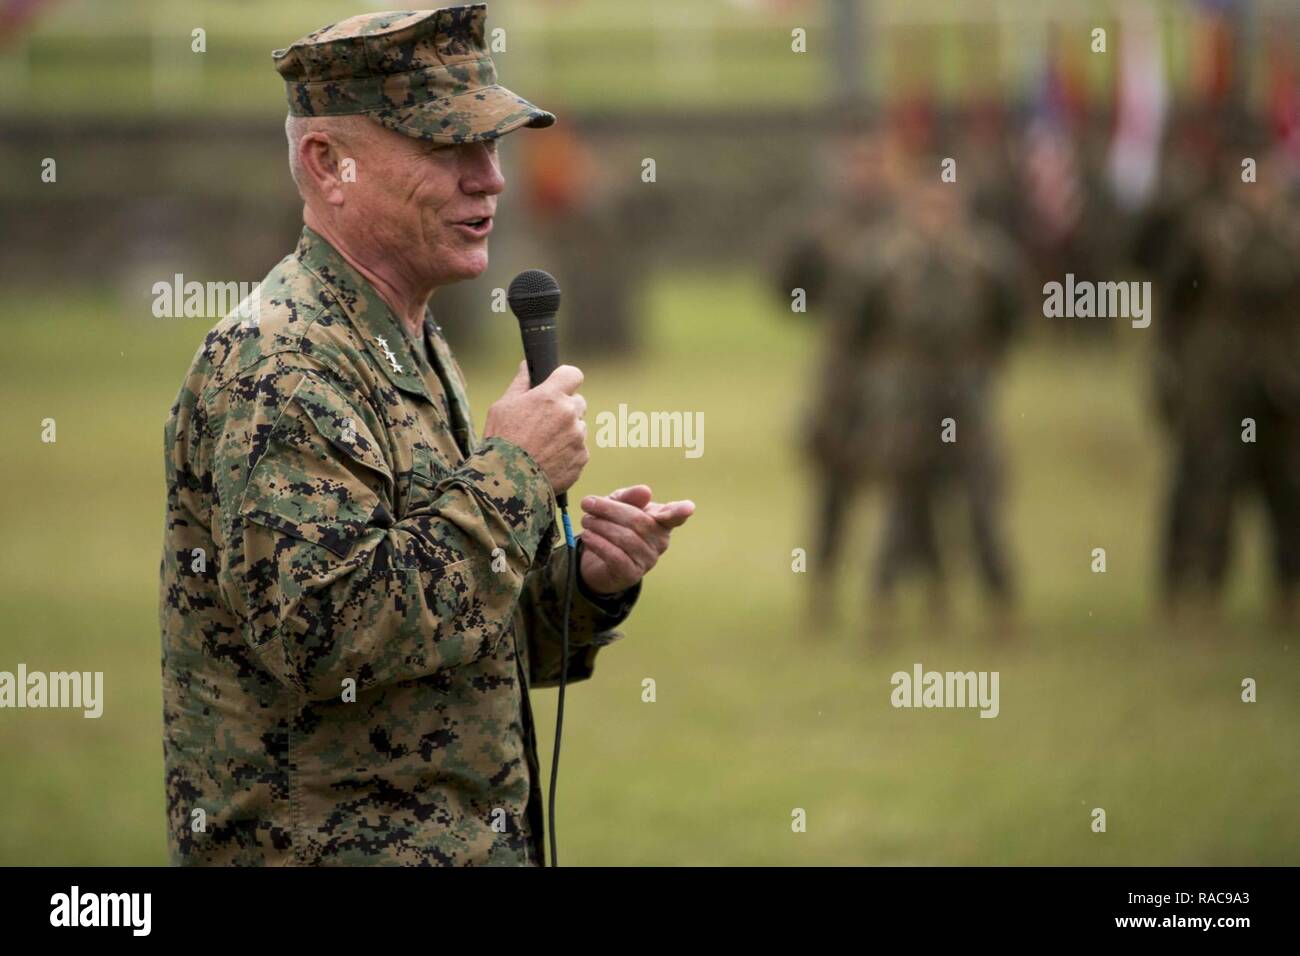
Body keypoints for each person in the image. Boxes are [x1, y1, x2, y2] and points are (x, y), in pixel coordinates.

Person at [159, 5, 694, 866]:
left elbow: (444, 642)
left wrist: (582, 586)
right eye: (449, 150)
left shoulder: (395, 333)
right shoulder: (280, 365)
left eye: (491, 148)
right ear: (328, 164)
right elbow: (328, 638)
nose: (491, 180)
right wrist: (514, 475)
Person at [829, 169, 1023, 629]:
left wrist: (981, 366)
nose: (935, 216)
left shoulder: (985, 259)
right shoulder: (884, 260)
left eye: (945, 205)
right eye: (927, 205)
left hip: (966, 396)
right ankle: (885, 605)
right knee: (902, 504)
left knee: (980, 503)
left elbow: (1011, 319)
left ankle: (1000, 606)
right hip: (905, 399)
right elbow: (853, 329)